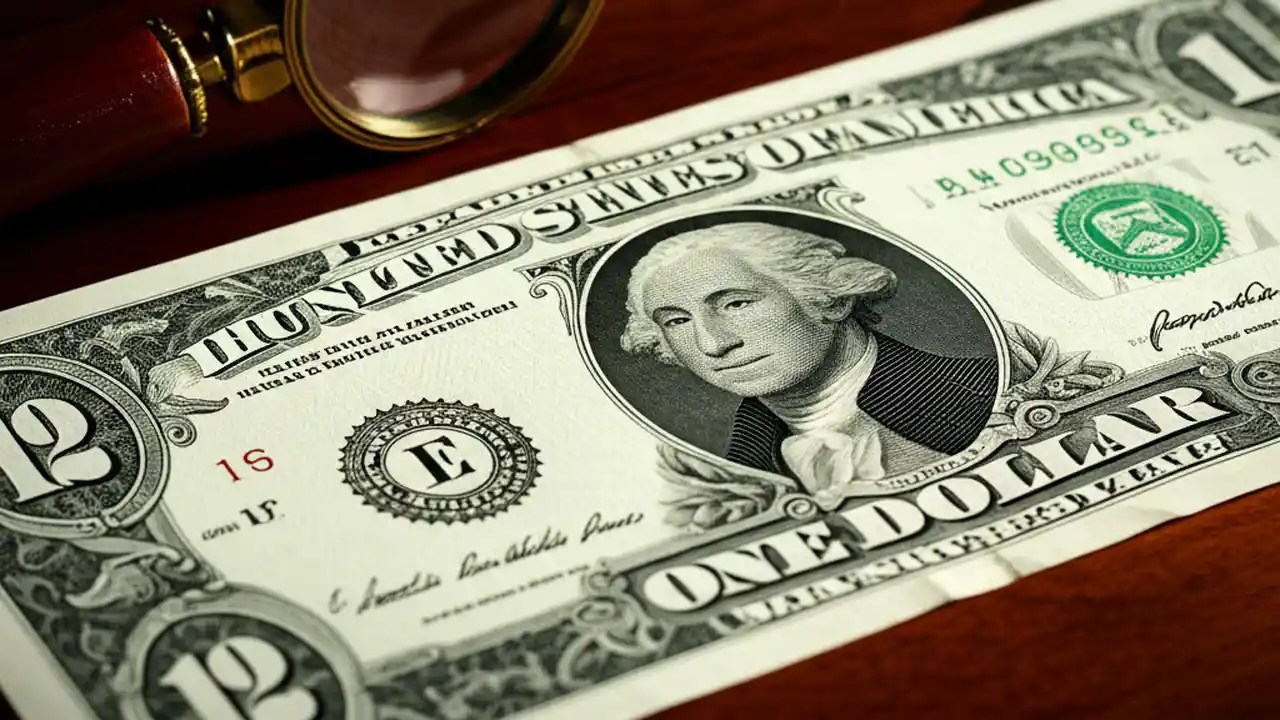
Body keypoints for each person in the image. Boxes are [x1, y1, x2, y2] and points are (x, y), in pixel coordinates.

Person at [620, 222, 997, 482]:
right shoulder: (735, 476)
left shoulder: (991, 388)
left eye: (736, 304)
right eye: (676, 322)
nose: (714, 344)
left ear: (828, 298)